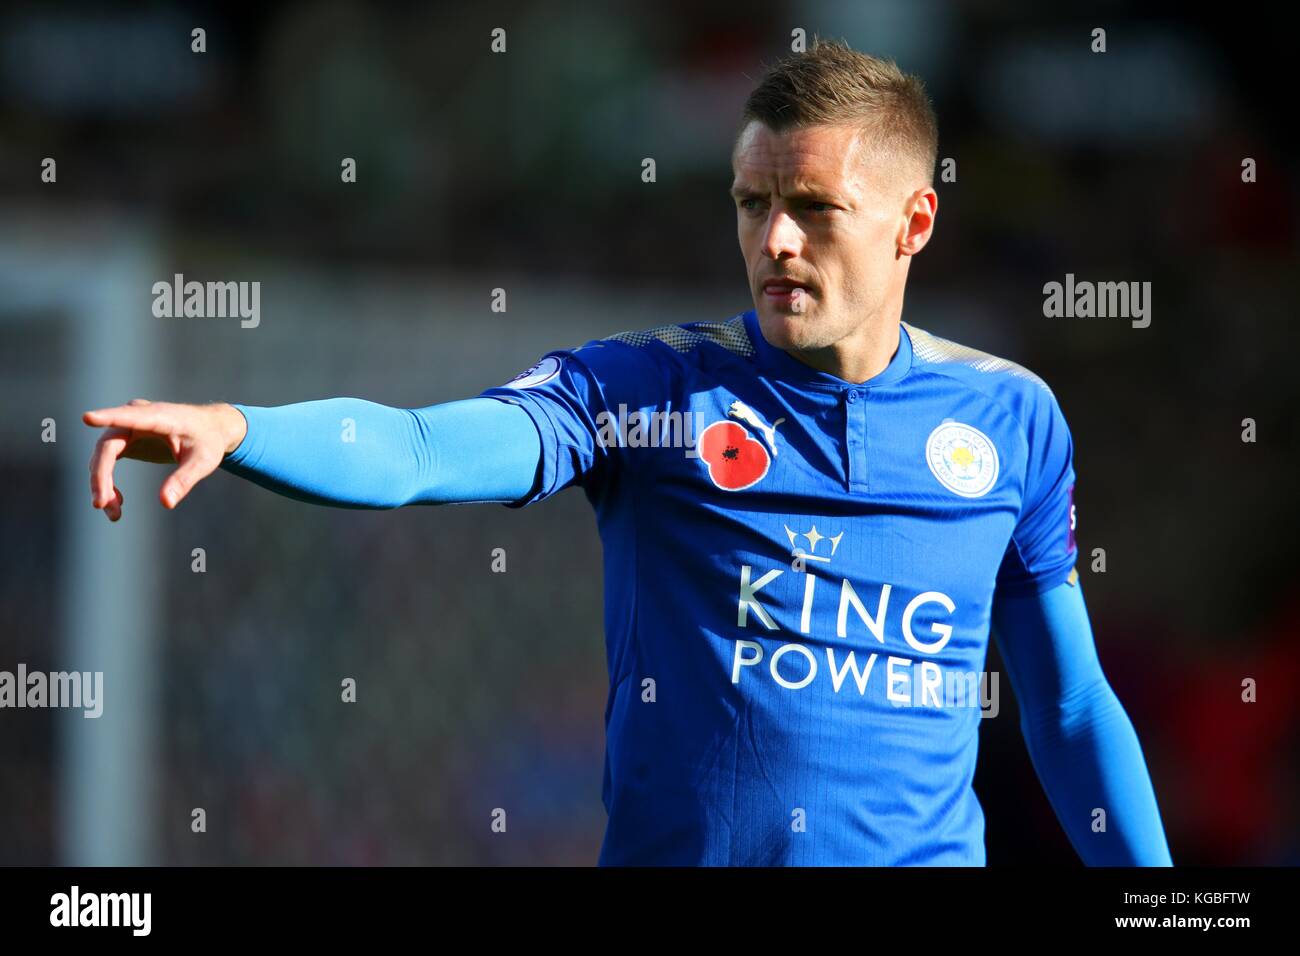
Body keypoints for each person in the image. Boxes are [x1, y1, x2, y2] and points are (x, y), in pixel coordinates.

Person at [83, 40, 1172, 866]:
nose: (774, 241)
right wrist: (244, 428)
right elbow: (420, 447)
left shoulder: (1010, 418)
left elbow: (1068, 706)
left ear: (912, 223)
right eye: (752, 205)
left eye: (812, 209)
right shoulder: (647, 391)